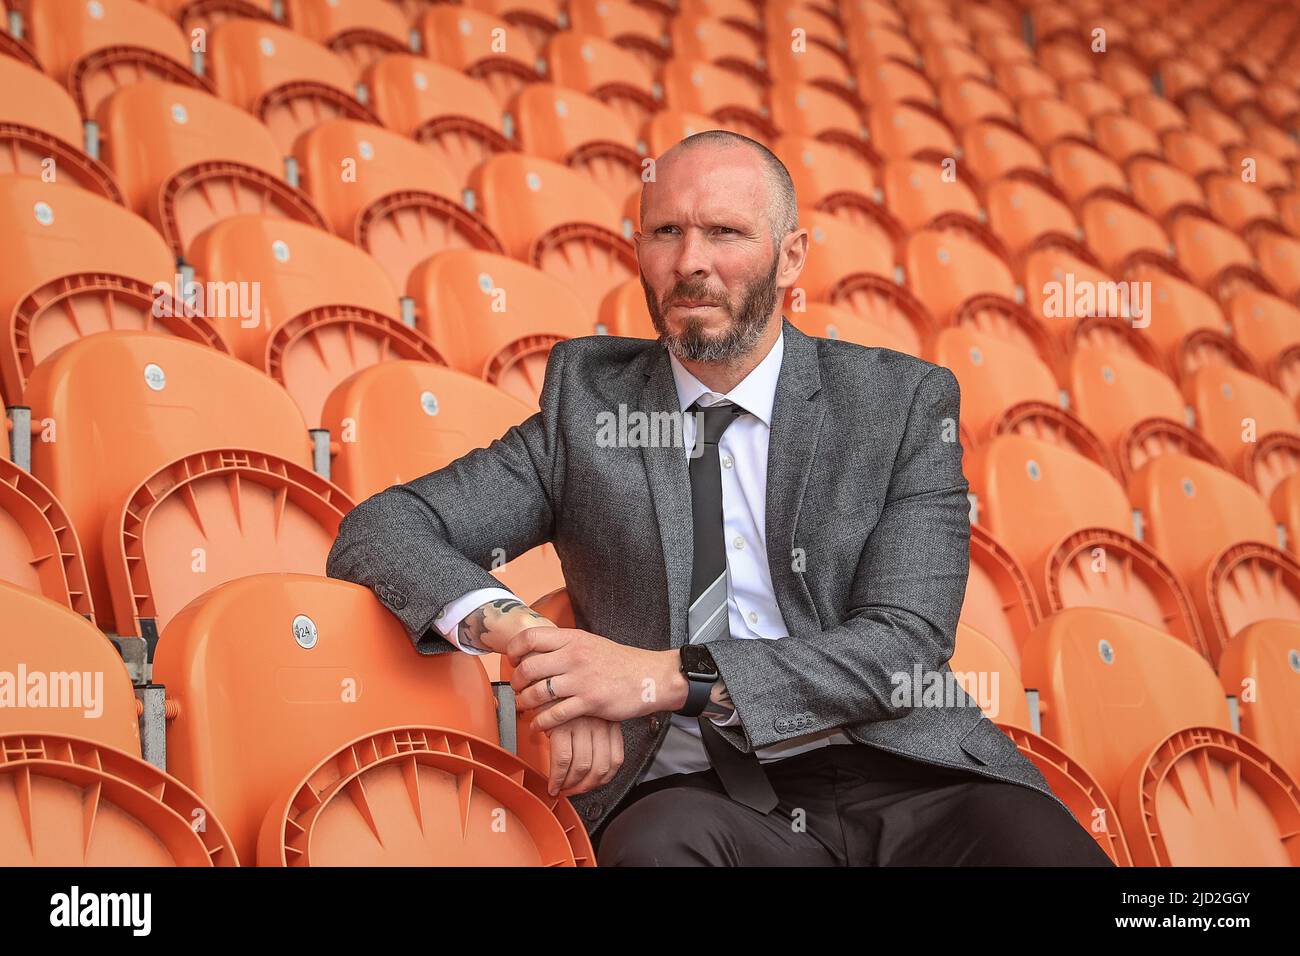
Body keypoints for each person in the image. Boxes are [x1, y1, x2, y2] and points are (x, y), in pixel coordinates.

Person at [326, 130, 1114, 866]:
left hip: (905, 772)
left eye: (725, 234)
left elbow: (903, 643)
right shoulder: (590, 407)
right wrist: (538, 645)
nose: (690, 262)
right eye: (665, 233)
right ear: (638, 249)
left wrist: (665, 678)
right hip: (696, 795)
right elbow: (384, 528)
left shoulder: (898, 404)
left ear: (792, 254)